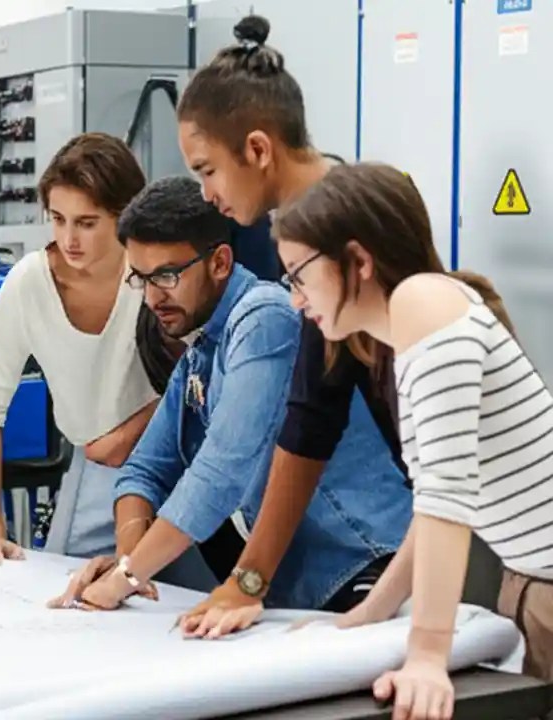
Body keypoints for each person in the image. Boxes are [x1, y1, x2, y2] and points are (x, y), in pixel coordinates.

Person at [128, 14, 416, 638]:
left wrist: (247, 579)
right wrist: (249, 578)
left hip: (404, 547)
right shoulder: (305, 232)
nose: (204, 195)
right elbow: (311, 419)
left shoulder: (352, 225)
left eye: (206, 170)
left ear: (257, 149)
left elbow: (313, 426)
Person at [47, 176, 411, 616]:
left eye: (165, 276)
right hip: (296, 592)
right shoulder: (201, 352)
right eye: (141, 279)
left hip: (363, 566)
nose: (151, 298)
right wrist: (127, 558)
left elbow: (221, 471)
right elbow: (143, 471)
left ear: (219, 262)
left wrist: (126, 578)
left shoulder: (263, 319)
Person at [272, 161, 551, 719]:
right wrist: (374, 611)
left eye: (299, 276)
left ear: (359, 260)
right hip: (531, 584)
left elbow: (448, 495)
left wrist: (427, 654)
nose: (295, 300)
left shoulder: (424, 302)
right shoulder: (404, 333)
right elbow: (431, 507)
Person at [0, 132, 181, 566]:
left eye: (87, 222)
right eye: (58, 219)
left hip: (181, 459)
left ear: (125, 215)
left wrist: (128, 433)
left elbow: (206, 375)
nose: (69, 238)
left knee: (190, 606)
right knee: (75, 594)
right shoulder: (27, 284)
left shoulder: (156, 272)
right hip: (97, 473)